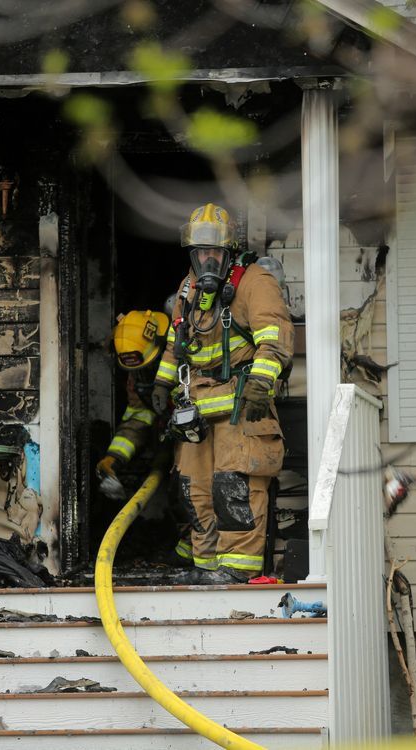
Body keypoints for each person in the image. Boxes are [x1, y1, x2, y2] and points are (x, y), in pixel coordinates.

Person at [150, 203, 294, 584]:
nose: (208, 259)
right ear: (192, 255)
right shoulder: (188, 289)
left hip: (242, 405)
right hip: (197, 412)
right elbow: (174, 341)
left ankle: (237, 572)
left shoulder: (255, 283)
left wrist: (262, 382)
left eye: (215, 251)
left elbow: (275, 337)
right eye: (201, 252)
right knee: (192, 491)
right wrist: (162, 384)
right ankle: (207, 569)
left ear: (229, 251)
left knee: (236, 487)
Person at [95, 309, 171, 499]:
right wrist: (115, 458)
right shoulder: (136, 376)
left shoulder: (187, 361)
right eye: (138, 370)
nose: (142, 374)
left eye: (148, 366)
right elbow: (139, 416)